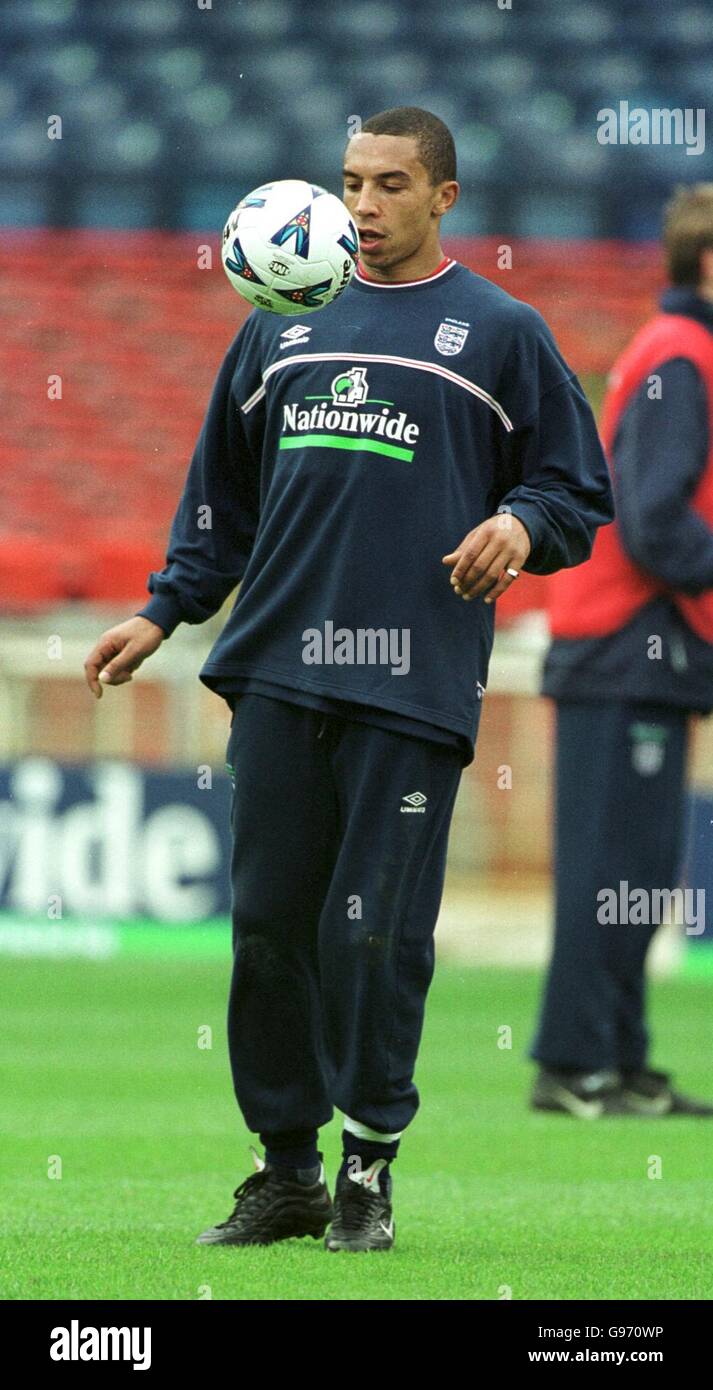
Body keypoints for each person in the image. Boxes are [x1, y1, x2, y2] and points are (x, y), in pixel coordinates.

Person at [84, 107, 614, 1250]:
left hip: (413, 682)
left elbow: (576, 488)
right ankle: (284, 1169)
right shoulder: (279, 322)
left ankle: (368, 1164)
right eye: (348, 182)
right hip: (276, 670)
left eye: (387, 184)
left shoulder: (502, 330)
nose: (362, 205)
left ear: (444, 199)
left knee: (369, 933)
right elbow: (218, 500)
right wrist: (161, 606)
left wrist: (520, 524)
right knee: (270, 928)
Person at [531, 183, 713, 1119]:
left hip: (645, 651)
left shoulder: (680, 351)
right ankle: (571, 1062)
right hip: (624, 647)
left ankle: (619, 1058)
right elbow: (651, 521)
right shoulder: (682, 356)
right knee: (611, 868)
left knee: (636, 873)